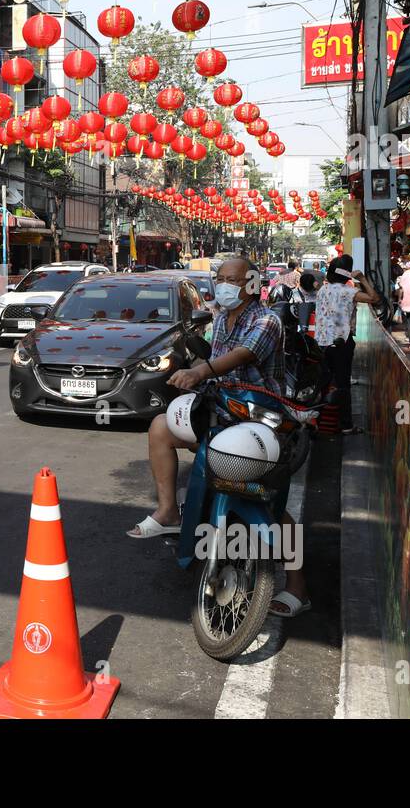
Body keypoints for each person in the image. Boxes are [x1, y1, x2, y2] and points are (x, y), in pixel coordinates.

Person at [129, 258, 309, 617]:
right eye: (220, 279)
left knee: (272, 506)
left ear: (252, 283)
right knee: (161, 427)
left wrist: (199, 371)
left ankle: (298, 587)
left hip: (260, 421)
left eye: (233, 280)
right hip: (221, 412)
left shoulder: (266, 319)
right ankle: (168, 512)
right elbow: (213, 356)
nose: (224, 285)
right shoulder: (221, 320)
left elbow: (244, 354)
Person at [314, 255, 380, 434]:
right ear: (347, 274)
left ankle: (317, 423)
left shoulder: (322, 290)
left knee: (323, 383)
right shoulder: (348, 291)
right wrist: (362, 278)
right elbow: (374, 298)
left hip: (321, 343)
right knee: (343, 384)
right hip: (341, 343)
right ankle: (345, 425)